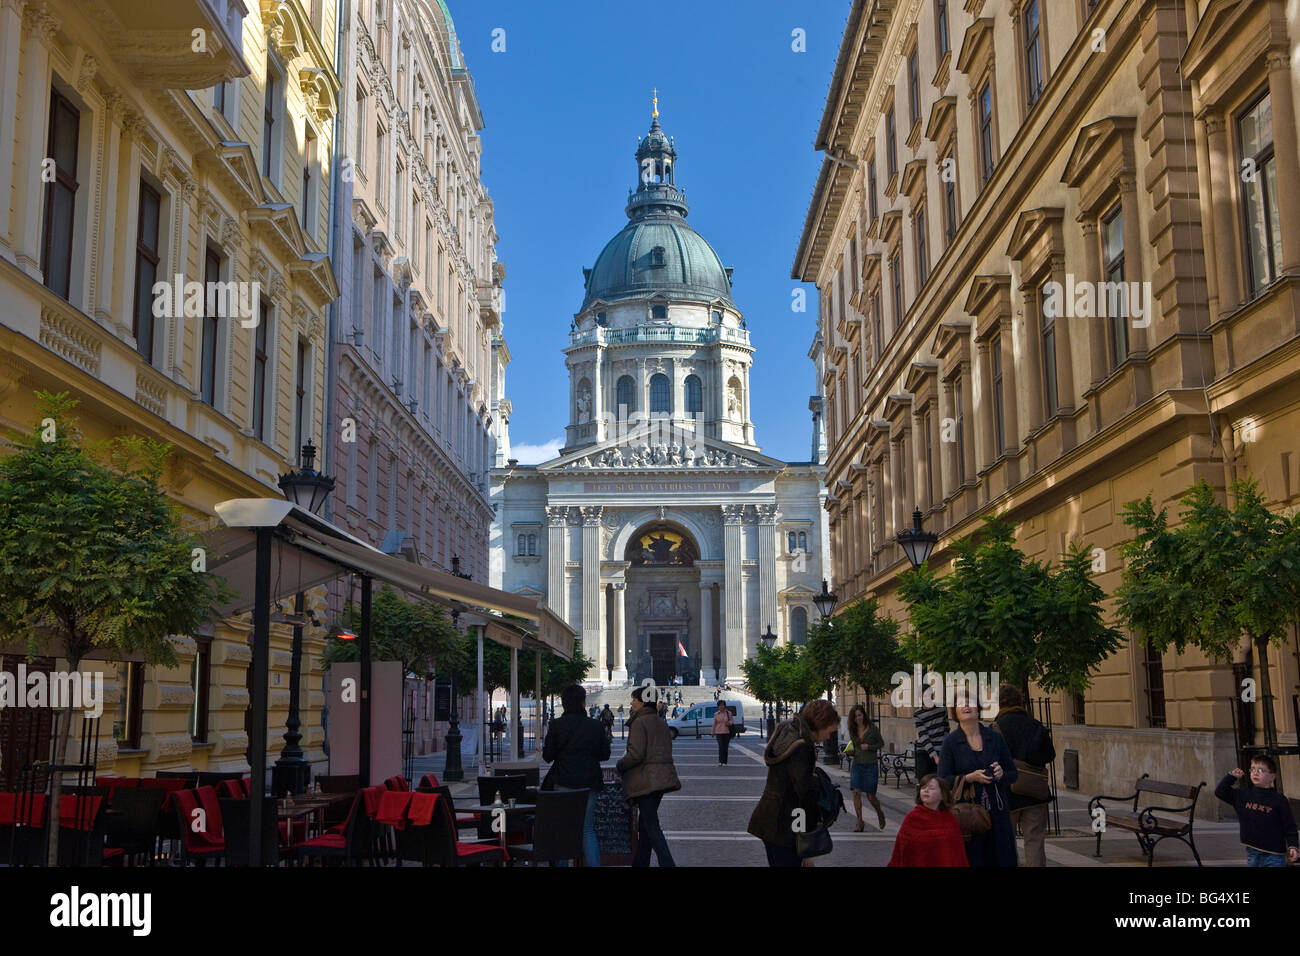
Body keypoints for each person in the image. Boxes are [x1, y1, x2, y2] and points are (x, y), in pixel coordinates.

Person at [747, 699, 841, 867]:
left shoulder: (788, 733)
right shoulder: (802, 747)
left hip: (770, 820)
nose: (828, 737)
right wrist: (808, 846)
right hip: (785, 827)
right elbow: (804, 797)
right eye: (829, 731)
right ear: (820, 724)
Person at [938, 692, 1018, 867]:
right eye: (961, 704)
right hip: (968, 816)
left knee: (1002, 859)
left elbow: (1013, 773)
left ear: (978, 708)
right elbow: (943, 780)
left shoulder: (995, 738)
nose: (966, 706)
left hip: (997, 812)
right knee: (973, 860)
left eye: (970, 702)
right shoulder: (950, 743)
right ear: (955, 712)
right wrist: (968, 778)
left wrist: (1001, 773)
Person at [541, 684, 609, 866]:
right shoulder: (595, 725)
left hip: (564, 780)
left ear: (563, 703)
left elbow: (547, 756)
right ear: (583, 702)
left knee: (563, 829)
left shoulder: (556, 725)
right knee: (587, 829)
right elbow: (605, 754)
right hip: (590, 782)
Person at [617, 684, 681, 867]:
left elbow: (635, 754)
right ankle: (640, 863)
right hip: (661, 779)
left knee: (651, 825)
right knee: (645, 825)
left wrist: (620, 765)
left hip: (646, 780)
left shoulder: (639, 722)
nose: (631, 703)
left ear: (643, 702)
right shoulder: (661, 721)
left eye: (634, 699)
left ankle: (668, 863)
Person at [993, 685, 1055, 866]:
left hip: (1007, 794)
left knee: (1006, 844)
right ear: (1021, 702)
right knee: (1035, 842)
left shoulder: (996, 728)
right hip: (1035, 793)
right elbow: (1050, 755)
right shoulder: (1036, 725)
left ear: (1000, 703)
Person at [1214, 754, 1299, 866]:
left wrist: (1293, 846)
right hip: (1253, 852)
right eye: (1253, 769)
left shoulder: (1279, 800)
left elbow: (1289, 825)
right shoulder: (1243, 795)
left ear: (1272, 777)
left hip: (1275, 854)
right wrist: (1231, 777)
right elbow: (1220, 792)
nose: (1255, 772)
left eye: (1261, 770)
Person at [888, 774, 969, 866]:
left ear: (942, 795)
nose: (926, 790)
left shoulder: (949, 818)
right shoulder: (913, 817)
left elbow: (956, 852)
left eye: (931, 788)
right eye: (923, 788)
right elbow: (901, 849)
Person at [846, 704, 886, 831]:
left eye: (860, 715)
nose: (858, 718)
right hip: (857, 764)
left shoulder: (872, 729)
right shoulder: (852, 730)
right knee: (856, 792)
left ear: (863, 715)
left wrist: (869, 747)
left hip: (870, 765)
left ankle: (879, 813)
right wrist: (850, 752)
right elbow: (854, 746)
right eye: (855, 716)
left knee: (870, 796)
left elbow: (881, 743)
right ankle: (859, 822)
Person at [914, 703, 948, 779]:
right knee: (923, 781)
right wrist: (935, 757)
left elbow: (946, 731)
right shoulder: (918, 713)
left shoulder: (942, 709)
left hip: (940, 749)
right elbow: (923, 736)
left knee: (939, 781)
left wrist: (945, 750)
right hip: (924, 751)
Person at [713, 700, 735, 766]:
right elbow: (714, 724)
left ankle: (725, 762)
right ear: (718, 706)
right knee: (721, 747)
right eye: (720, 705)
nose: (721, 706)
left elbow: (732, 721)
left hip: (726, 732)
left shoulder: (729, 713)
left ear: (725, 706)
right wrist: (712, 732)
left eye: (722, 705)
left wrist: (729, 723)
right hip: (719, 732)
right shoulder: (716, 714)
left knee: (725, 747)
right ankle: (720, 761)